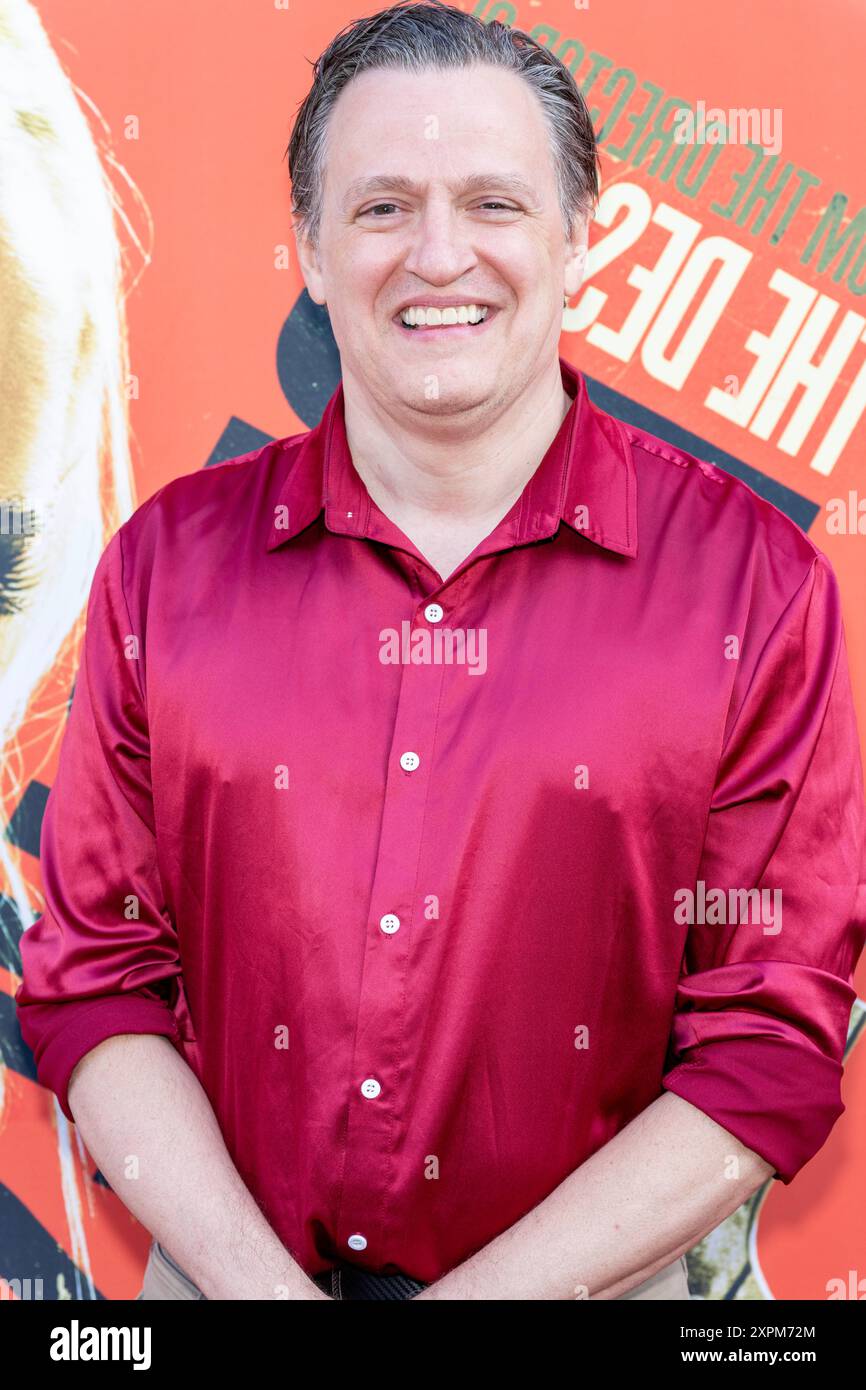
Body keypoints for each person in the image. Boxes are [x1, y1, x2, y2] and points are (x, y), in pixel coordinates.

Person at [15, 0, 866, 1302]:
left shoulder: (755, 588)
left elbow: (766, 1044)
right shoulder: (166, 564)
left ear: (580, 238)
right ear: (305, 245)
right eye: (379, 209)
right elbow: (96, 987)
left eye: (491, 203)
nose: (437, 255)